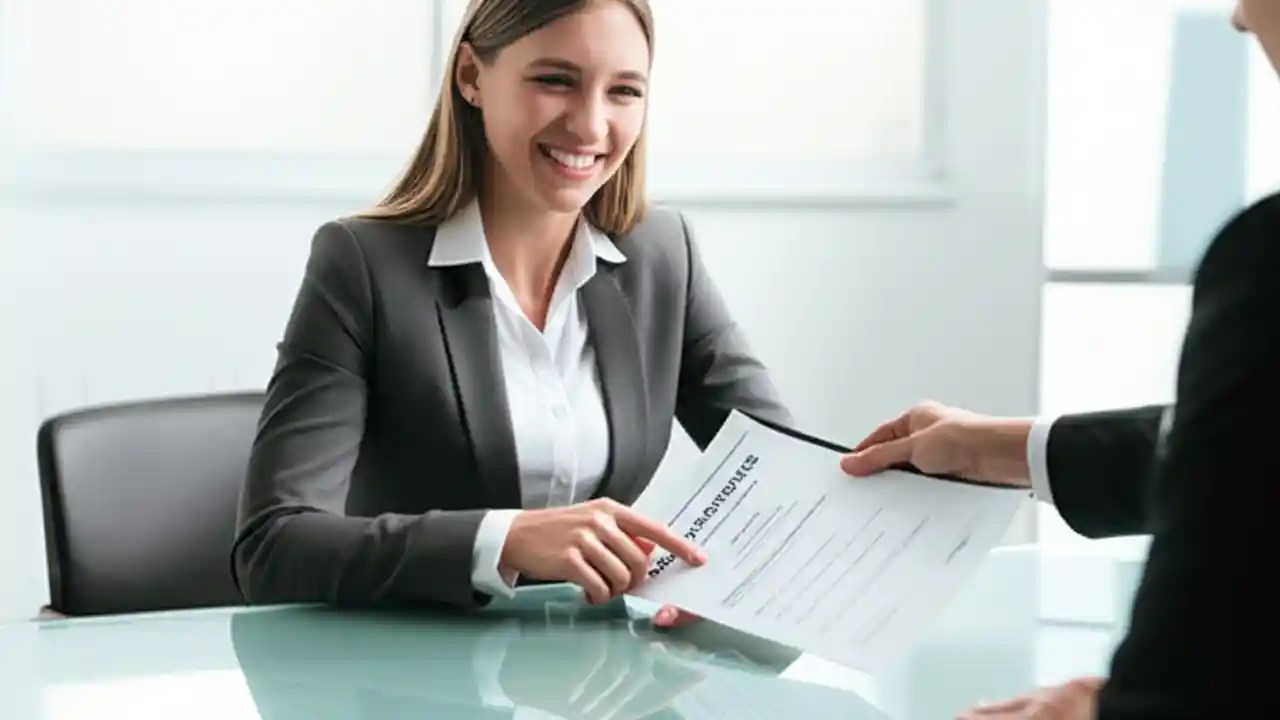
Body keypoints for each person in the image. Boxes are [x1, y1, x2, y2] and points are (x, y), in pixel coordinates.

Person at [230, 0, 791, 627]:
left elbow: (786, 474)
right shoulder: (362, 265)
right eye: (555, 81)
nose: (590, 125)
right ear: (472, 76)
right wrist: (504, 540)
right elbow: (273, 547)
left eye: (624, 91)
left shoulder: (662, 254)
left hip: (604, 684)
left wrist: (714, 579)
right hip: (420, 682)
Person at [842, 3, 1277, 717]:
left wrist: (1102, 711)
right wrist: (995, 448)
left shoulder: (1268, 261)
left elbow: (1201, 675)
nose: (1236, 17)